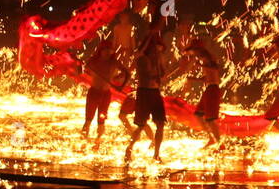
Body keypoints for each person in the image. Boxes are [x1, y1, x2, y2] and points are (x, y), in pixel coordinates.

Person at [172, 25, 223, 147]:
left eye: (194, 51)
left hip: (213, 90)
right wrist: (194, 78)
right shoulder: (204, 59)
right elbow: (209, 76)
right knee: (199, 115)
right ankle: (211, 138)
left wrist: (201, 66)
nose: (193, 53)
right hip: (209, 89)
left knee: (210, 119)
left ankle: (220, 144)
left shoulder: (207, 58)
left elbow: (215, 69)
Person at [125, 21, 168, 162]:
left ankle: (156, 154)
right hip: (144, 92)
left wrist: (162, 75)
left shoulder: (159, 59)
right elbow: (146, 73)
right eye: (157, 48)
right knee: (141, 125)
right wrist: (151, 35)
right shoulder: (143, 59)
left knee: (160, 124)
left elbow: (162, 75)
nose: (159, 51)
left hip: (155, 93)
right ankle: (129, 149)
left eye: (160, 49)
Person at [80, 36, 122, 141]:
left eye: (110, 50)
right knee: (89, 119)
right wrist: (81, 68)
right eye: (105, 50)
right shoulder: (93, 61)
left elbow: (126, 73)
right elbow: (81, 69)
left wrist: (119, 83)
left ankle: (98, 140)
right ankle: (84, 139)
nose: (108, 52)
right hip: (94, 93)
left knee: (101, 119)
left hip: (106, 95)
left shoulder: (114, 63)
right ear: (101, 51)